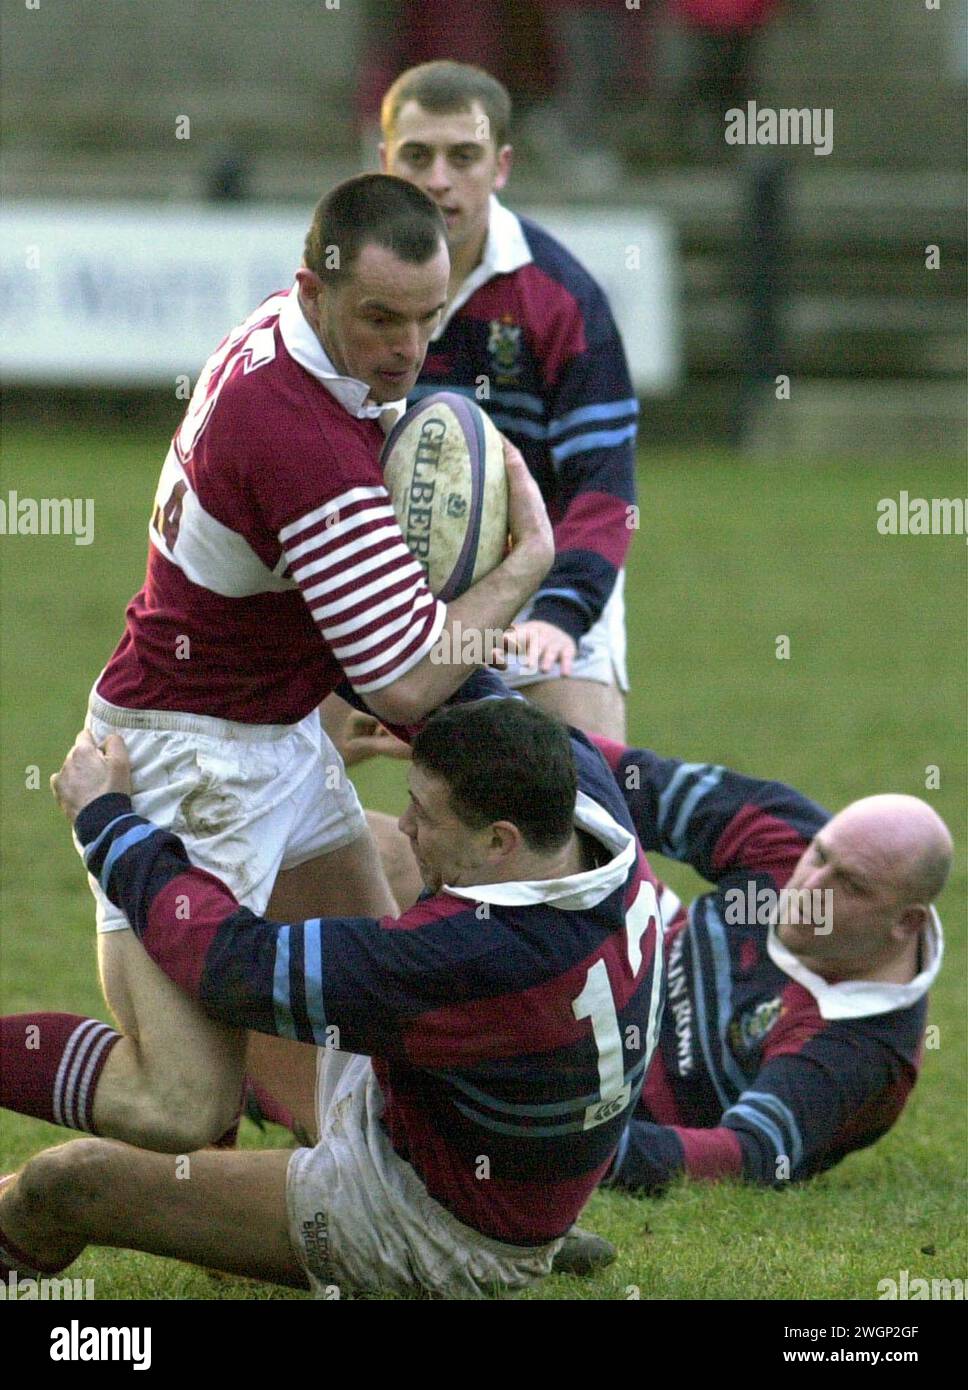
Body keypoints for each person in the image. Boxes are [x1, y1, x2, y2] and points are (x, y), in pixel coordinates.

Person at [0, 174, 555, 1157]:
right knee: (180, 1106)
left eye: (427, 320)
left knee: (393, 1015)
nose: (406, 351)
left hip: (267, 735)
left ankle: (465, 1208)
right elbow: (408, 682)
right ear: (313, 288)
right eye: (379, 318)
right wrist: (524, 564)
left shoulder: (292, 339)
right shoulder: (298, 438)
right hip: (182, 767)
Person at [0, 696, 663, 1300]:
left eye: (425, 815)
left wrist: (108, 823)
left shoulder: (468, 960)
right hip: (462, 1137)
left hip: (428, 1225)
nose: (405, 824)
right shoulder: (590, 803)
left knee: (65, 1183)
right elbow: (457, 685)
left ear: (499, 840)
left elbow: (233, 965)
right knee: (319, 872)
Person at [326, 61, 638, 749]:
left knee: (586, 801)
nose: (438, 179)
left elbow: (605, 495)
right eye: (417, 155)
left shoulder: (563, 300)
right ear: (382, 162)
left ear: (500, 166)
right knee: (278, 785)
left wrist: (558, 614)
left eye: (462, 156)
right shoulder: (338, 293)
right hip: (372, 577)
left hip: (538, 586)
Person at [592, 737, 950, 1191]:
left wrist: (567, 1151)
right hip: (636, 949)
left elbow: (746, 1155)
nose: (809, 886)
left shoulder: (859, 1048)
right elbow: (634, 781)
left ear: (907, 922)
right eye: (820, 856)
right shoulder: (792, 834)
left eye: (852, 887)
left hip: (609, 1091)